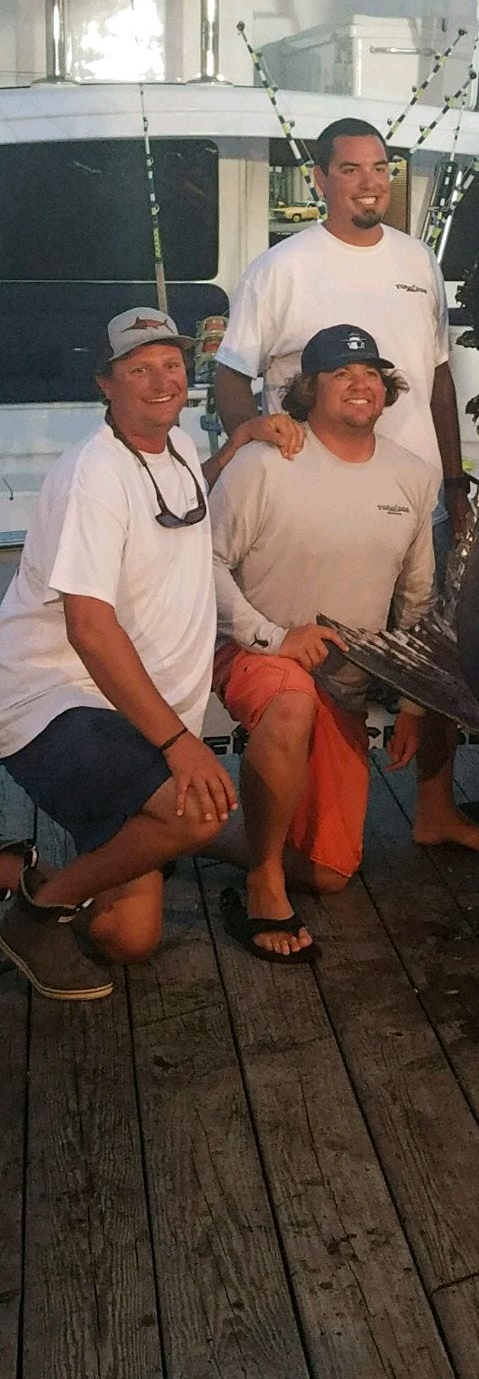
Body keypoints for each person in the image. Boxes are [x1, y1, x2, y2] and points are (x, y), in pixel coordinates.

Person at [0, 308, 294, 1001]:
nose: (162, 379)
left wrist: (243, 436)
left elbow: (186, 496)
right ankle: (35, 916)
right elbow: (89, 627)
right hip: (54, 701)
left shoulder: (181, 447)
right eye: (139, 368)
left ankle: (19, 870)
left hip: (122, 712)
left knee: (128, 940)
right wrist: (178, 743)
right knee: (197, 812)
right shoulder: (93, 476)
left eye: (171, 363)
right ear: (106, 382)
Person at [210, 323, 479, 961]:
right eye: (342, 374)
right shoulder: (263, 464)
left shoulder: (413, 475)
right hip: (257, 655)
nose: (360, 384)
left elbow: (418, 604)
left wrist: (413, 704)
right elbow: (203, 566)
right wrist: (273, 638)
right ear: (308, 392)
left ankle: (184, 833)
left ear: (388, 390)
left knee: (331, 873)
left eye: (372, 373)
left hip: (344, 683)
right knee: (289, 701)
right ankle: (261, 883)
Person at [214, 116, 470, 539]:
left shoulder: (420, 261)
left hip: (422, 507)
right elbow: (231, 376)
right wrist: (258, 451)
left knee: (423, 607)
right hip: (314, 511)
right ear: (320, 179)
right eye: (350, 170)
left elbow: (439, 380)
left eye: (380, 168)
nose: (369, 183)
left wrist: (455, 483)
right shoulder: (280, 268)